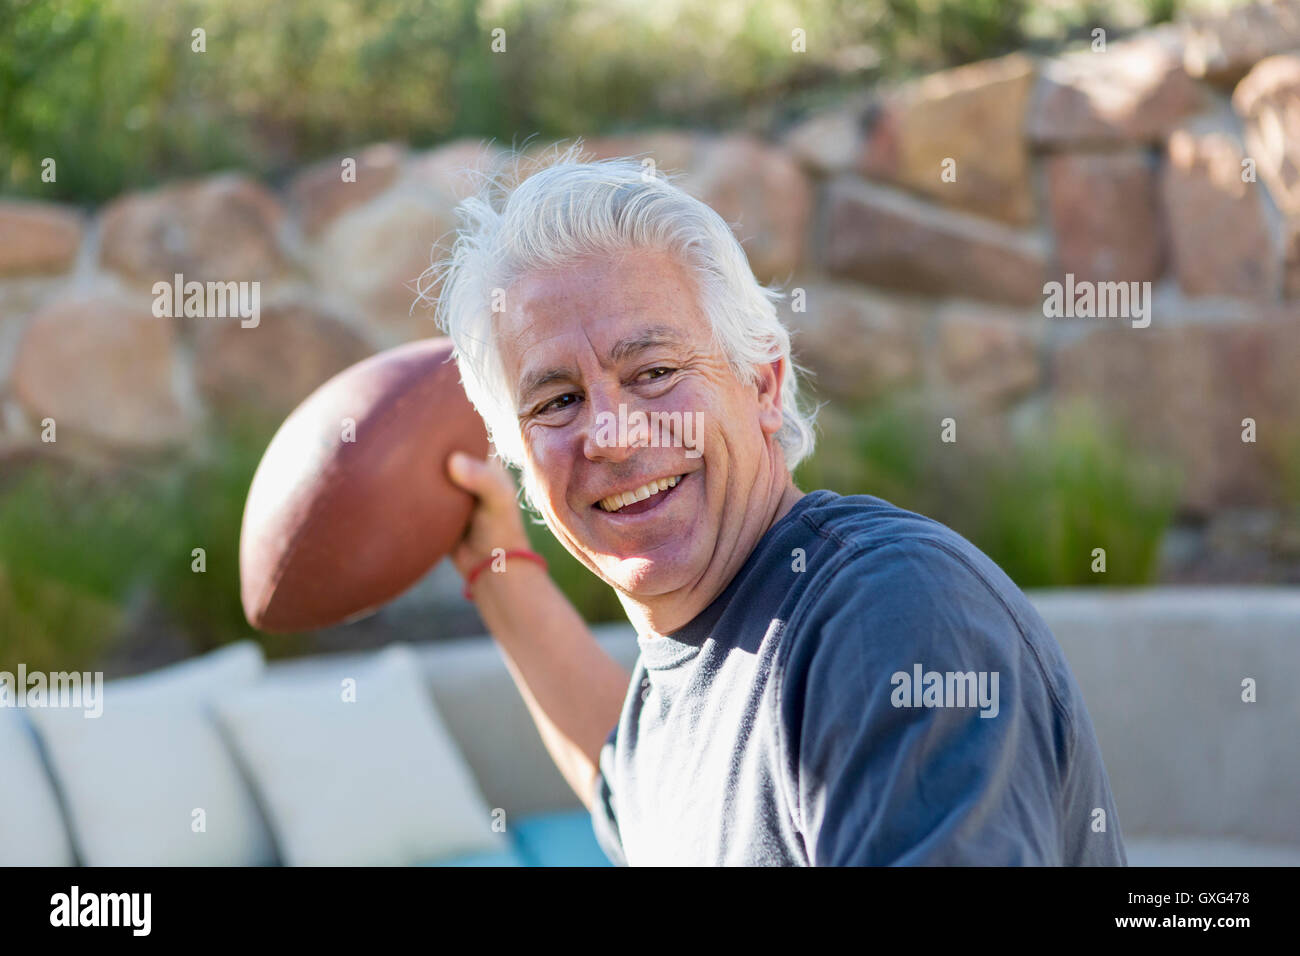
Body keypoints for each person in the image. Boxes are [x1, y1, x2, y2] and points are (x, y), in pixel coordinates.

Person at [427, 145, 1127, 866]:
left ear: (762, 385)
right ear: (520, 459)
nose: (610, 435)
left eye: (655, 372)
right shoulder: (673, 698)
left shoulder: (888, 609)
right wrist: (495, 565)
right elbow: (629, 793)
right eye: (557, 401)